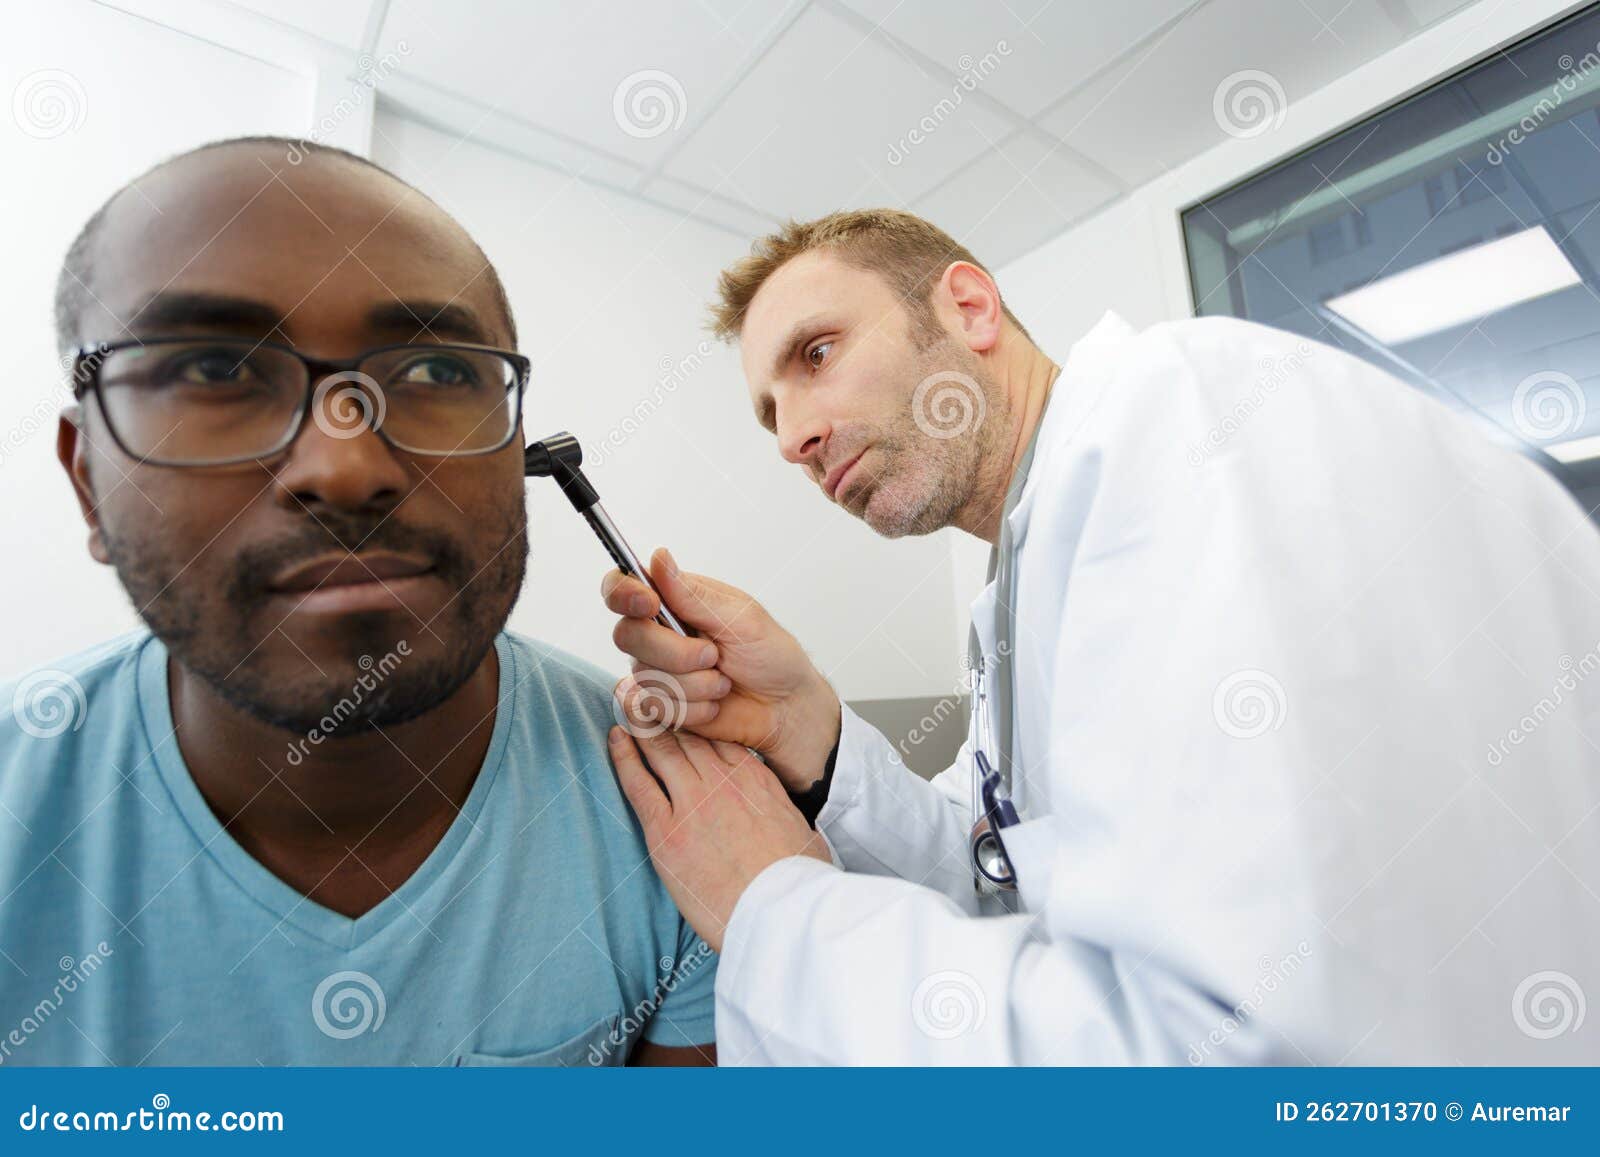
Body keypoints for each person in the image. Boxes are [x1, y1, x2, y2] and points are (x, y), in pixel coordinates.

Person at [601, 208, 1600, 1065]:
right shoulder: (1026, 580)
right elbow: (1012, 872)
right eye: (770, 412)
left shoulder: (1184, 416)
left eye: (816, 354)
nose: (791, 436)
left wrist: (775, 913)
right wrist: (810, 726)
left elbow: (1214, 1049)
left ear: (967, 307)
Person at [0, 137, 715, 1067]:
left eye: (434, 373)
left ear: (517, 451)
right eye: (216, 370)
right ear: (89, 480)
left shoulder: (682, 811)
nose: (345, 464)